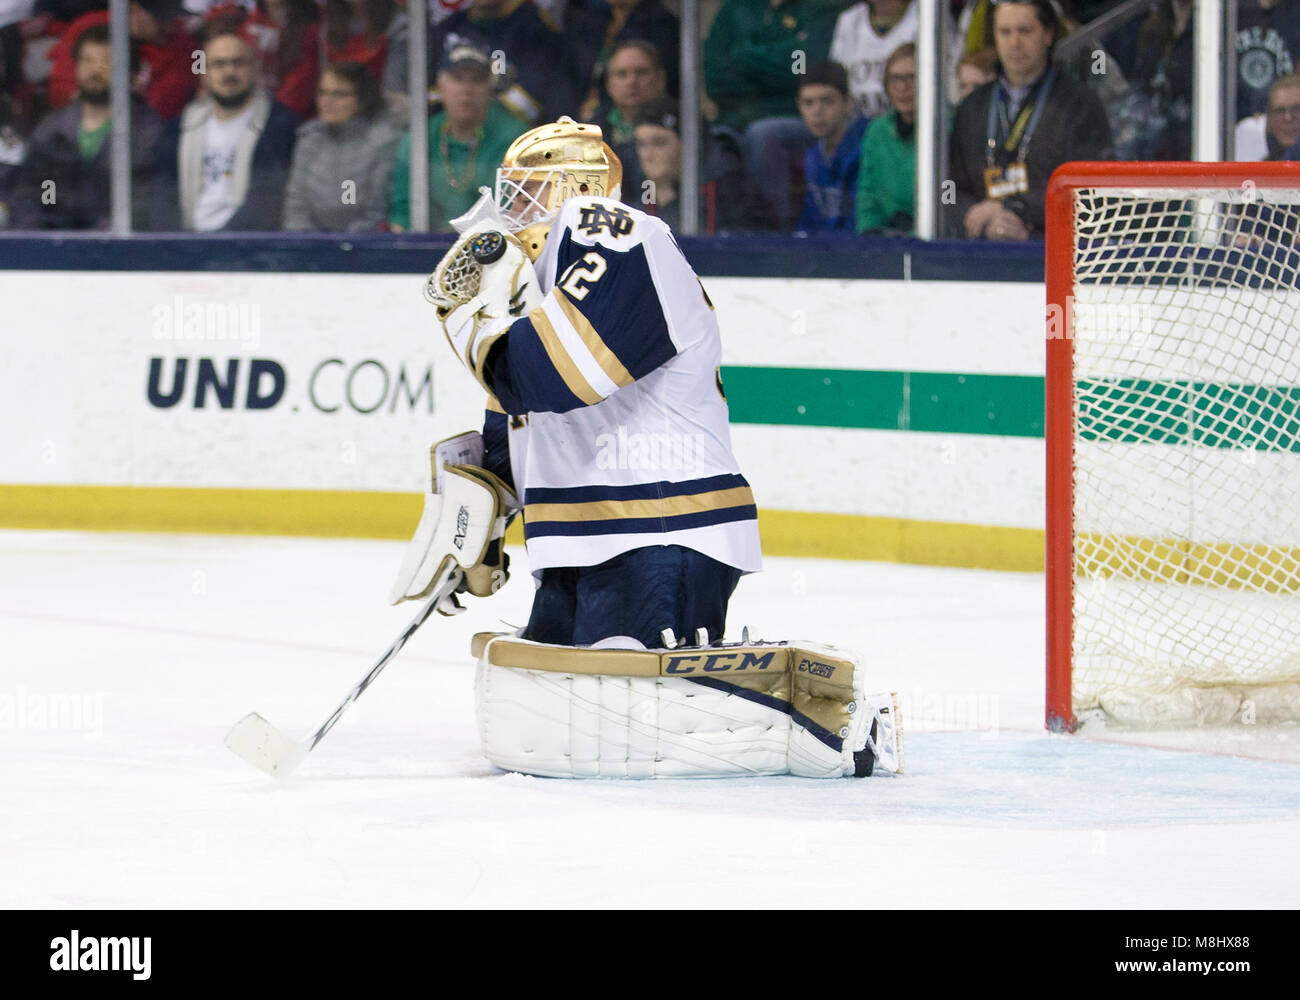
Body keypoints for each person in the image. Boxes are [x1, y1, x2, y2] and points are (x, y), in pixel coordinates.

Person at [426, 116, 761, 649]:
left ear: (578, 187)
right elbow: (513, 419)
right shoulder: (536, 280)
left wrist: (472, 323)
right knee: (556, 704)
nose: (513, 212)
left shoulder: (616, 232)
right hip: (577, 536)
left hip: (660, 530)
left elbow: (555, 378)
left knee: (631, 715)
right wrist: (467, 536)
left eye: (528, 192)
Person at [947, 0, 1111, 241]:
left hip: (1054, 247)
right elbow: (949, 188)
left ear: (1047, 34)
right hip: (980, 247)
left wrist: (1015, 210)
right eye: (1005, 32)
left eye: (1024, 31)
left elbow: (1087, 189)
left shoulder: (1080, 104)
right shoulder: (972, 106)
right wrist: (973, 214)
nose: (1014, 43)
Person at [9, 22, 162, 229]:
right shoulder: (51, 129)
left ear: (130, 71)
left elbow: (149, 205)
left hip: (119, 253)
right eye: (87, 60)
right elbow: (32, 195)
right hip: (56, 249)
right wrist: (40, 236)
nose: (95, 70)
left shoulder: (148, 132)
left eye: (106, 62)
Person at [704, 0, 840, 231]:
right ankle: (723, 230)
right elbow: (714, 78)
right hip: (736, 118)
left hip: (800, 118)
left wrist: (744, 54)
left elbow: (807, 69)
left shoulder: (819, 7)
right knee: (714, 139)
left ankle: (772, 230)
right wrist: (781, 59)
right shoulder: (735, 8)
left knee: (764, 134)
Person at [152, 21, 300, 231]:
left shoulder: (278, 125)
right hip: (187, 249)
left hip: (246, 249)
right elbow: (163, 198)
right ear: (204, 73)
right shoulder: (179, 129)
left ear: (255, 69)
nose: (229, 72)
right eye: (219, 64)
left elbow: (268, 201)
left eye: (238, 63)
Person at [389, 41, 525, 232]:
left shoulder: (515, 139)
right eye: (457, 78)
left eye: (477, 80)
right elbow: (401, 214)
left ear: (490, 88)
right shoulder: (419, 138)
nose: (466, 90)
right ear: (440, 86)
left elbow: (513, 213)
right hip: (422, 247)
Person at [282, 61, 401, 231]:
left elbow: (377, 211)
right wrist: (305, 243)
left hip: (364, 246)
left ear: (362, 99)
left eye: (338, 94)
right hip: (309, 247)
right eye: (322, 92)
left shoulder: (383, 142)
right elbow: (296, 205)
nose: (327, 101)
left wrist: (345, 245)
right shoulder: (309, 139)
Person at [627, 95, 761, 234]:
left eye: (659, 143)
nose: (647, 155)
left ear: (688, 145)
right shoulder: (634, 174)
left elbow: (694, 247)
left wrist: (665, 193)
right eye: (641, 144)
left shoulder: (726, 182)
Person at [793, 59, 866, 234]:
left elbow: (860, 222)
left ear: (848, 103)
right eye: (808, 103)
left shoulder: (866, 148)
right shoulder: (814, 156)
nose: (817, 112)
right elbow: (811, 219)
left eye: (827, 101)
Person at [856, 42, 915, 235]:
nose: (902, 87)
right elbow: (867, 195)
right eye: (895, 79)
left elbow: (949, 200)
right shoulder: (877, 130)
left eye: (912, 78)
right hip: (884, 242)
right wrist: (870, 236)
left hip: (930, 246)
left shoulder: (946, 130)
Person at [829, 0, 919, 119]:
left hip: (911, 123)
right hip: (856, 124)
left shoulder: (926, 13)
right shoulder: (850, 20)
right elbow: (833, 83)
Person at [581, 39, 666, 147]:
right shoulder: (589, 132)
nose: (631, 81)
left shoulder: (684, 124)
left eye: (641, 72)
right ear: (608, 83)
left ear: (660, 79)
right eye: (622, 74)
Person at [1237, 72, 1300, 159]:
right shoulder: (1260, 169)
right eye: (1280, 111)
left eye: (1297, 109)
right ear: (1269, 118)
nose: (1288, 117)